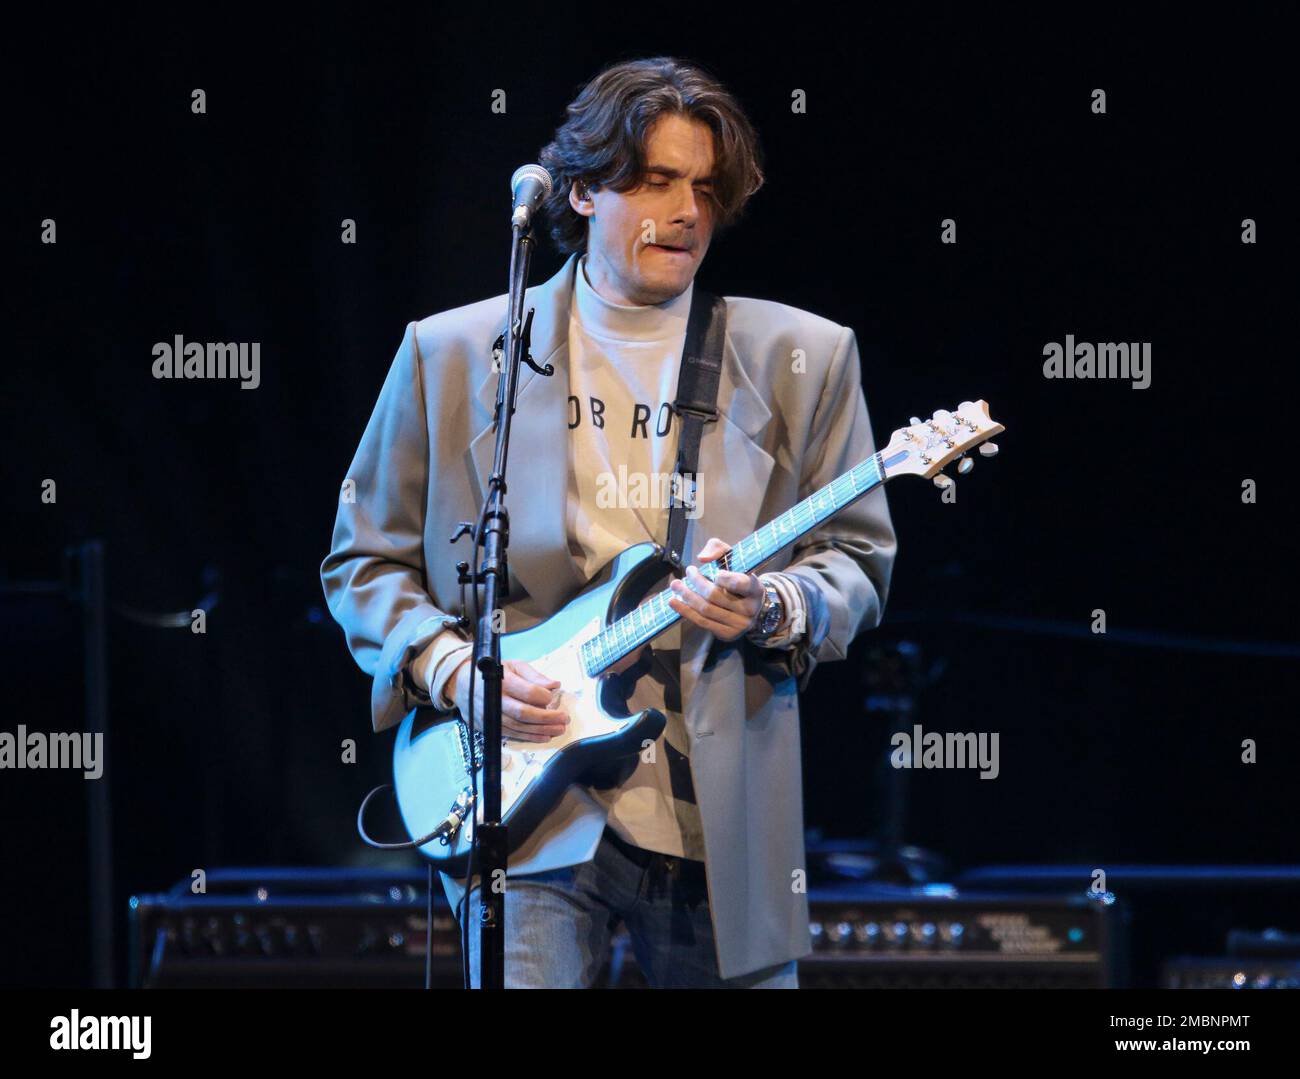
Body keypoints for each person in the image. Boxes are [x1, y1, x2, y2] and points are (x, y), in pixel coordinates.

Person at [320, 56, 896, 988]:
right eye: (657, 180)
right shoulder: (455, 353)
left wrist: (774, 602)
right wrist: (453, 666)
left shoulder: (803, 355)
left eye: (706, 188)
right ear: (582, 190)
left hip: (722, 812)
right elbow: (364, 561)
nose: (688, 211)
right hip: (527, 810)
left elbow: (858, 562)